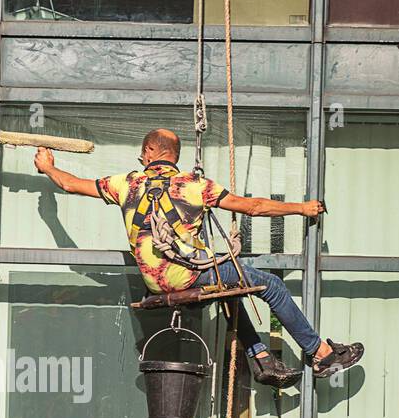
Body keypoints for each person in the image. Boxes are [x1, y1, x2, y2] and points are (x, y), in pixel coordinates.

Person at [33, 127, 364, 384]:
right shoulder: (193, 185)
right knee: (270, 286)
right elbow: (254, 207)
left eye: (142, 152)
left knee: (231, 291)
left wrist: (49, 166)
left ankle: (262, 359)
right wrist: (301, 208)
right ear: (174, 155)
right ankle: (320, 353)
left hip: (156, 282)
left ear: (149, 152)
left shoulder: (126, 183)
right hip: (188, 275)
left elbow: (70, 185)